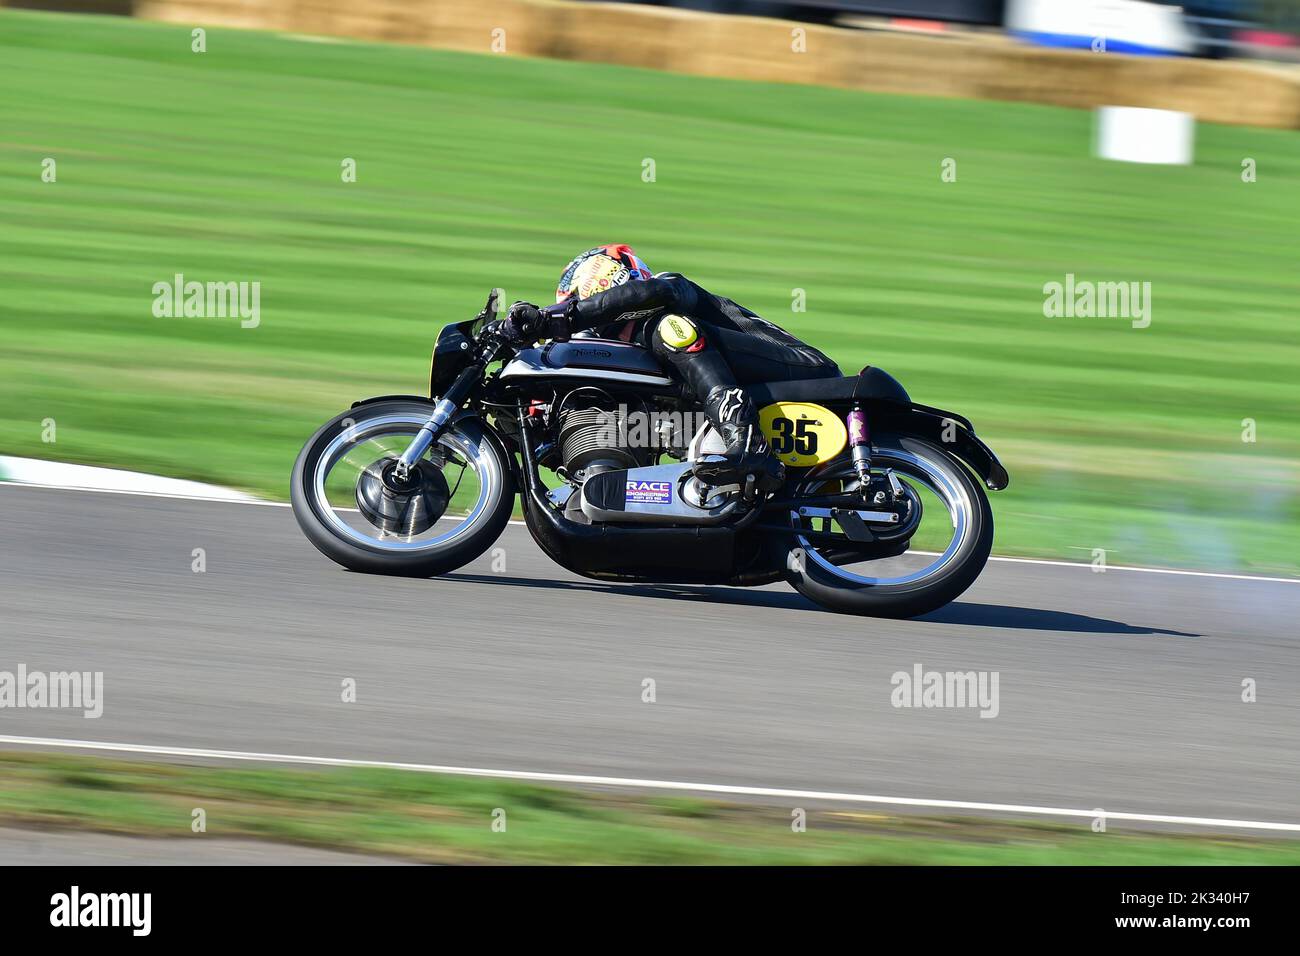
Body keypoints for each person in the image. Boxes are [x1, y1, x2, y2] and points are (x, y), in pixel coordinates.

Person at [501, 244, 840, 492]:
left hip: (804, 367)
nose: (595, 328)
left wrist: (554, 319)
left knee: (671, 329)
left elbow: (647, 295)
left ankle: (746, 442)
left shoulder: (668, 290)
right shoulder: (646, 348)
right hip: (760, 396)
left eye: (590, 308)